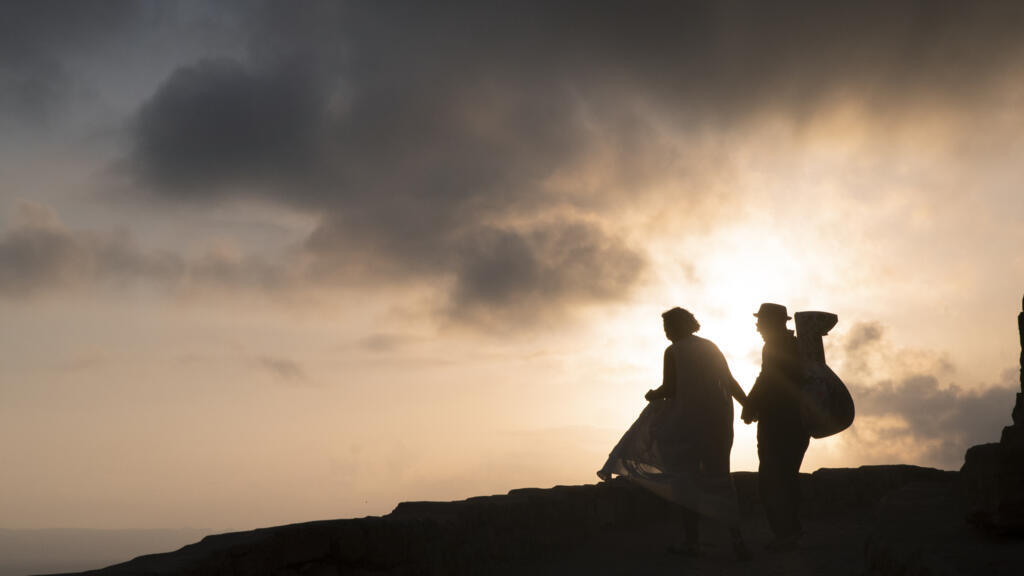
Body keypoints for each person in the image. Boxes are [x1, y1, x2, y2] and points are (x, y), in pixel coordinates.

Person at [599, 307, 750, 560]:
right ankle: (737, 540)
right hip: (718, 425)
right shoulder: (710, 347)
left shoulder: (673, 352)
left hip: (687, 425)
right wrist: (749, 406)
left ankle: (691, 541)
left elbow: (670, 388)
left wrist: (652, 394)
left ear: (678, 327)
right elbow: (730, 381)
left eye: (668, 327)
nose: (666, 333)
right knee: (721, 478)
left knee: (685, 480)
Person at [741, 302, 809, 551]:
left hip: (778, 421)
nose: (757, 326)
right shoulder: (797, 346)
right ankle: (791, 529)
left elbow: (768, 377)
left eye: (760, 321)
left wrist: (750, 404)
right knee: (788, 476)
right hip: (799, 421)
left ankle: (785, 533)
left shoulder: (774, 346)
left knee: (771, 479)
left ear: (771, 323)